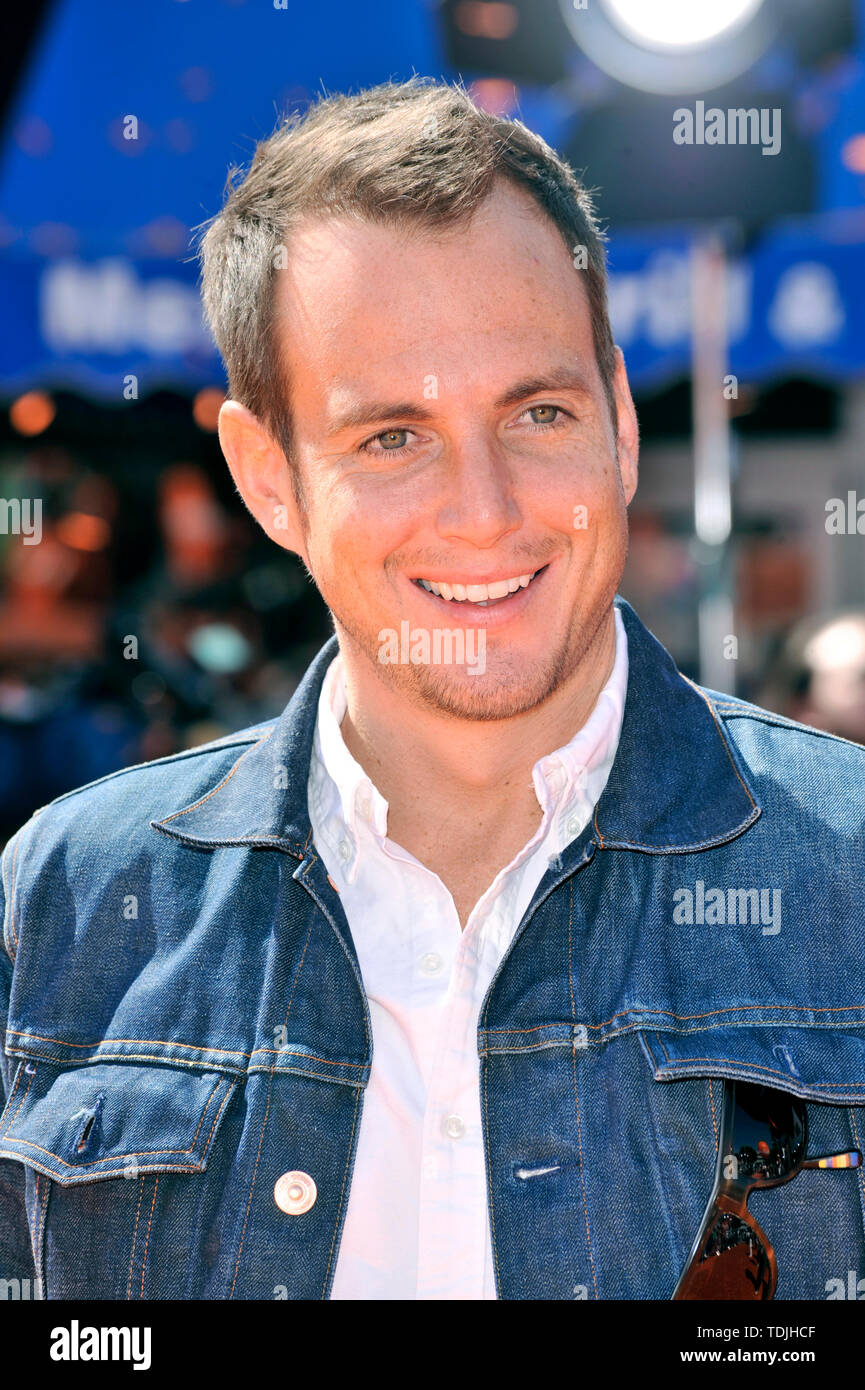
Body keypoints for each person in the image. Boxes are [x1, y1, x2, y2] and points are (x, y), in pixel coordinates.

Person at [2, 77, 864, 1302]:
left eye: (539, 411)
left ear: (620, 420)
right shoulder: (70, 901)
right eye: (391, 436)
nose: (485, 511)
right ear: (268, 478)